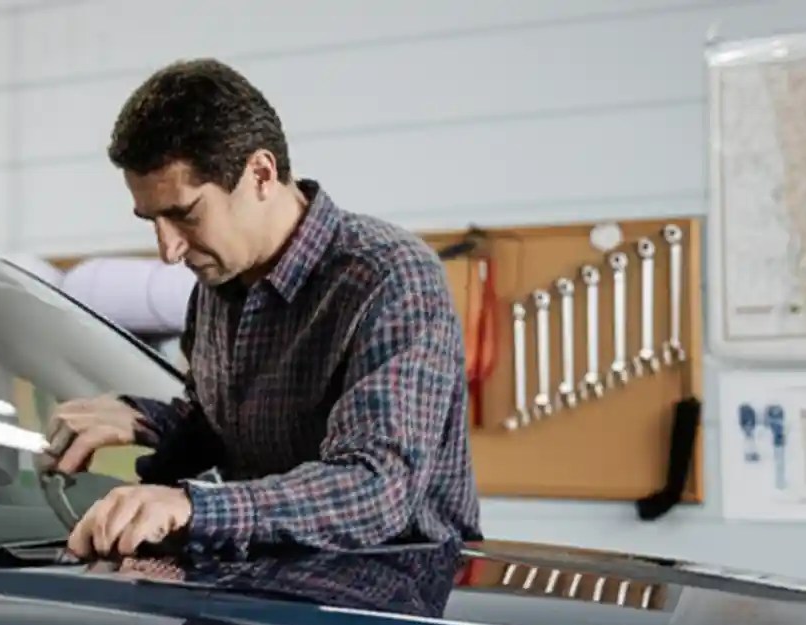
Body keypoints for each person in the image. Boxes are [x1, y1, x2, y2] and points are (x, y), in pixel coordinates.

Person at [44, 58, 481, 560]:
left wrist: (195, 509)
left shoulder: (389, 278)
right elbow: (227, 430)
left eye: (185, 215)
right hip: (255, 600)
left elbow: (375, 488)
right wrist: (146, 421)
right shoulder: (215, 286)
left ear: (260, 173)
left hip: (390, 613)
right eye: (152, 220)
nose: (168, 250)